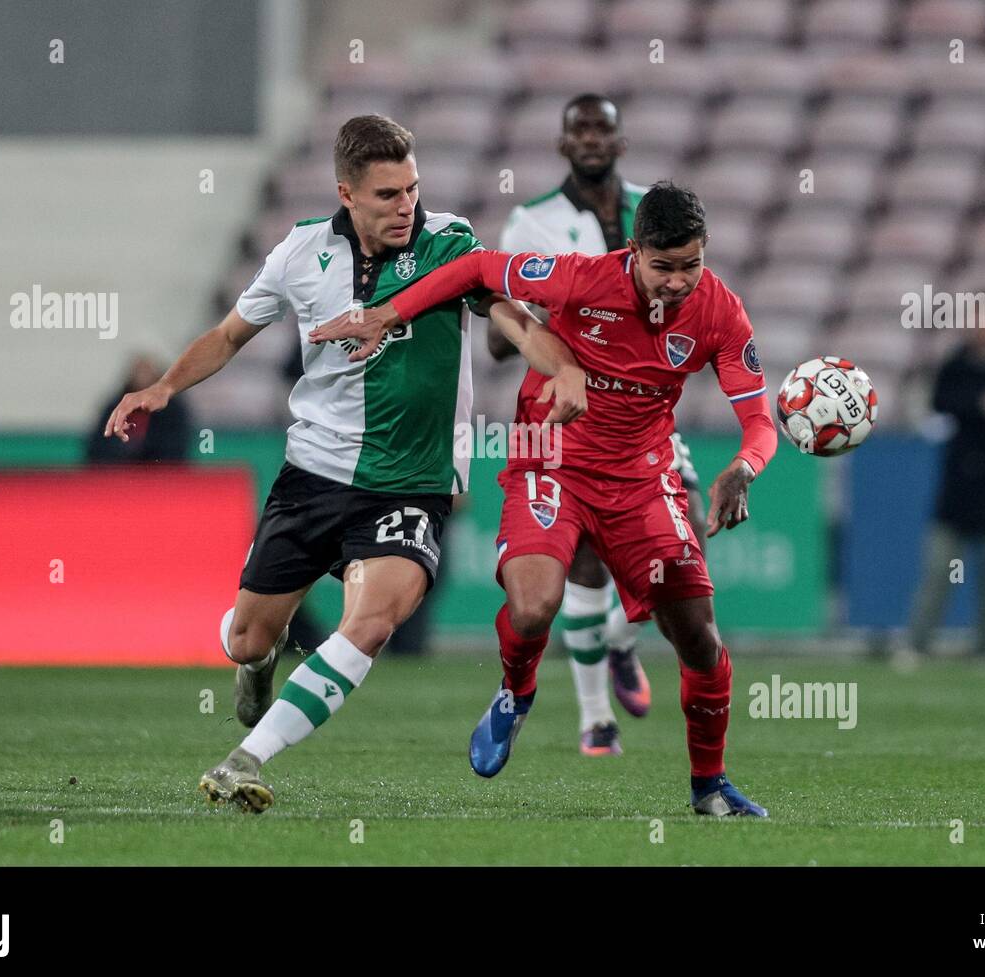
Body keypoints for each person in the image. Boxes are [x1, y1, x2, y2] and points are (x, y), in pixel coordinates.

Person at [103, 115, 588, 813]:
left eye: (412, 189)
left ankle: (246, 759)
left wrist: (563, 369)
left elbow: (513, 321)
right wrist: (164, 386)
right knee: (245, 636)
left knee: (369, 623)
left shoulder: (449, 245)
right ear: (347, 193)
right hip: (313, 476)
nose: (406, 206)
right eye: (388, 193)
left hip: (410, 485)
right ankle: (259, 662)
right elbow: (230, 333)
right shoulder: (301, 252)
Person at [312, 182, 776, 816]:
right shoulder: (582, 278)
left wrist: (743, 469)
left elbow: (760, 422)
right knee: (534, 607)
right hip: (549, 459)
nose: (675, 282)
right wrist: (386, 315)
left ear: (706, 253)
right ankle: (516, 690)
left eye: (689, 265)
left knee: (698, 637)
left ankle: (709, 786)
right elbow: (476, 267)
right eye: (662, 267)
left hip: (642, 478)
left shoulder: (722, 312)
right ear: (633, 250)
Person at [492, 93, 710, 757]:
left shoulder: (657, 213)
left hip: (639, 410)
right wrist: (533, 313)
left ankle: (620, 639)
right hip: (563, 409)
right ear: (562, 143)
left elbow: (693, 297)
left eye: (602, 128)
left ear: (621, 141)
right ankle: (596, 721)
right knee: (580, 557)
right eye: (578, 128)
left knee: (690, 530)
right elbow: (501, 330)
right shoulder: (531, 222)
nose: (589, 138)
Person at [902, 302, 985, 662]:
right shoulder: (956, 364)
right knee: (937, 571)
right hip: (957, 488)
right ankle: (918, 643)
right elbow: (942, 402)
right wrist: (984, 404)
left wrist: (984, 409)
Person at [85, 354, 193, 464]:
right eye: (139, 373)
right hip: (118, 471)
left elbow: (174, 448)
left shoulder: (171, 410)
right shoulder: (115, 407)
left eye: (146, 373)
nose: (142, 378)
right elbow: (100, 444)